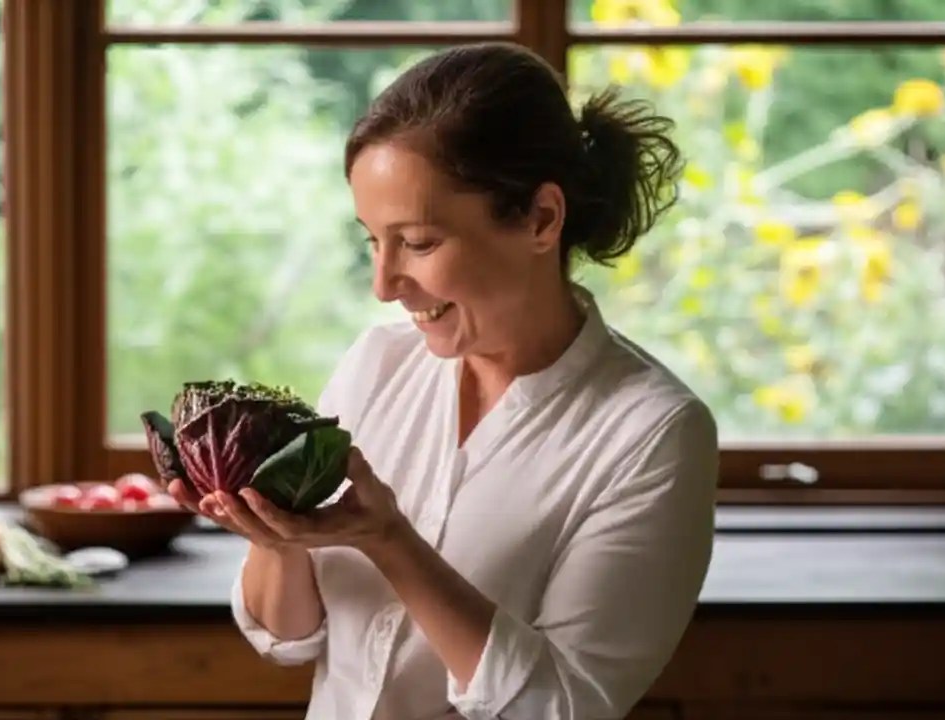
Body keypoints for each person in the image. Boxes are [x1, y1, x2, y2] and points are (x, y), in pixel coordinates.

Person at [172, 41, 718, 720]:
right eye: (373, 240)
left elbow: (565, 704)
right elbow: (288, 638)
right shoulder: (377, 364)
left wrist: (391, 542)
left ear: (541, 219)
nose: (383, 284)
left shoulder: (653, 435)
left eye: (419, 243)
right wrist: (275, 540)